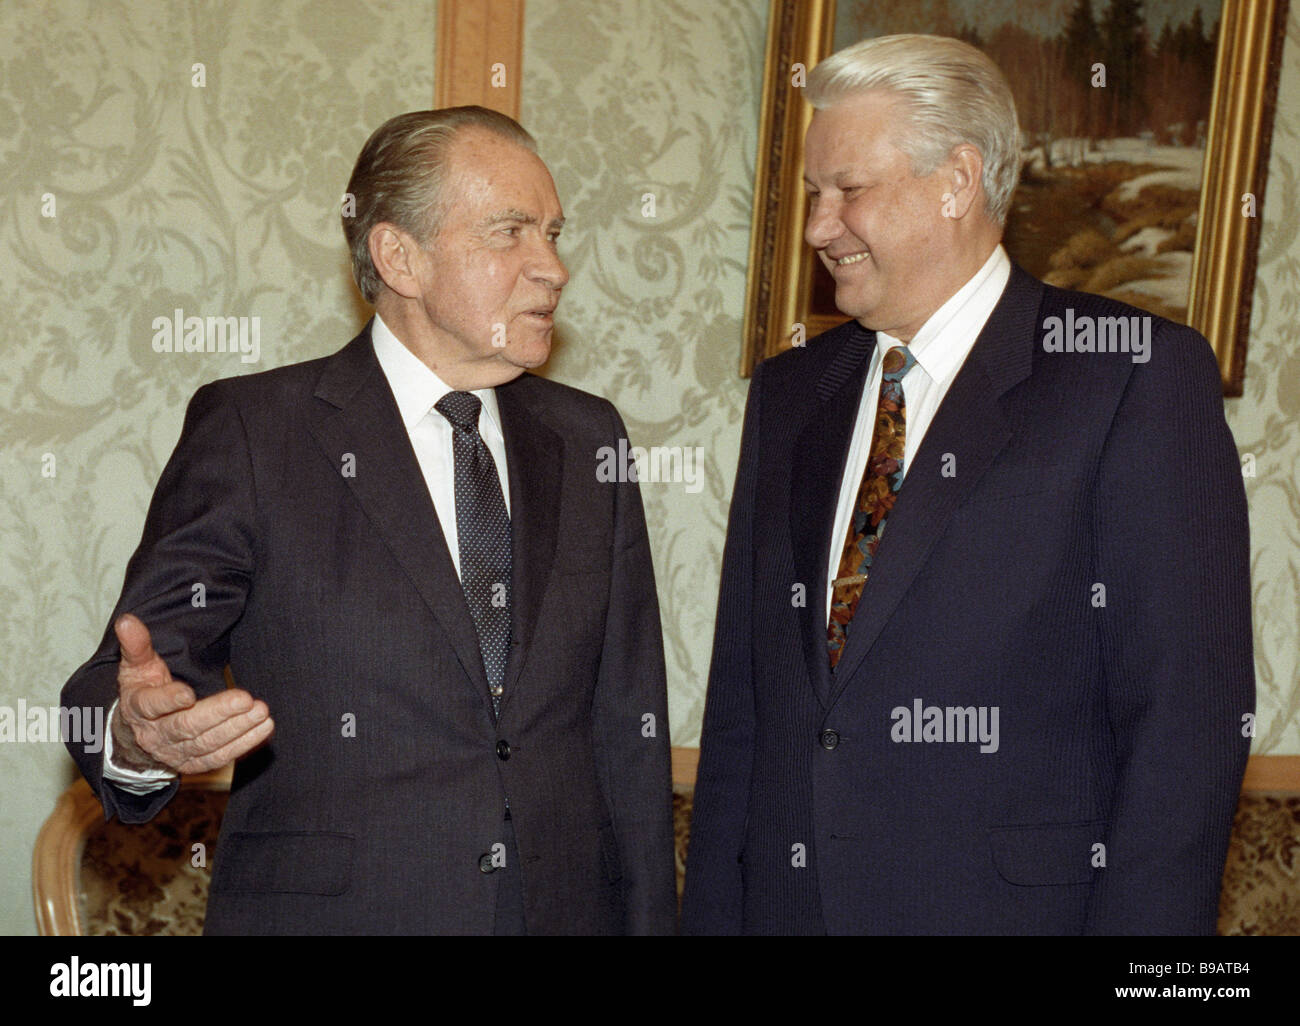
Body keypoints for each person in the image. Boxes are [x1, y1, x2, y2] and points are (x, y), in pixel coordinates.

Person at [682, 35, 1253, 935]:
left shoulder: (1130, 376)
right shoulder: (795, 394)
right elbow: (745, 713)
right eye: (813, 194)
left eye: (849, 191)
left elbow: (1185, 729)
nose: (818, 226)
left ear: (956, 180)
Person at [61, 106, 677, 935]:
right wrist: (137, 741)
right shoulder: (257, 430)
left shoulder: (588, 435)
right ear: (400, 256)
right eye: (511, 233)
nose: (554, 269)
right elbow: (121, 675)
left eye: (554, 234)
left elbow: (626, 727)